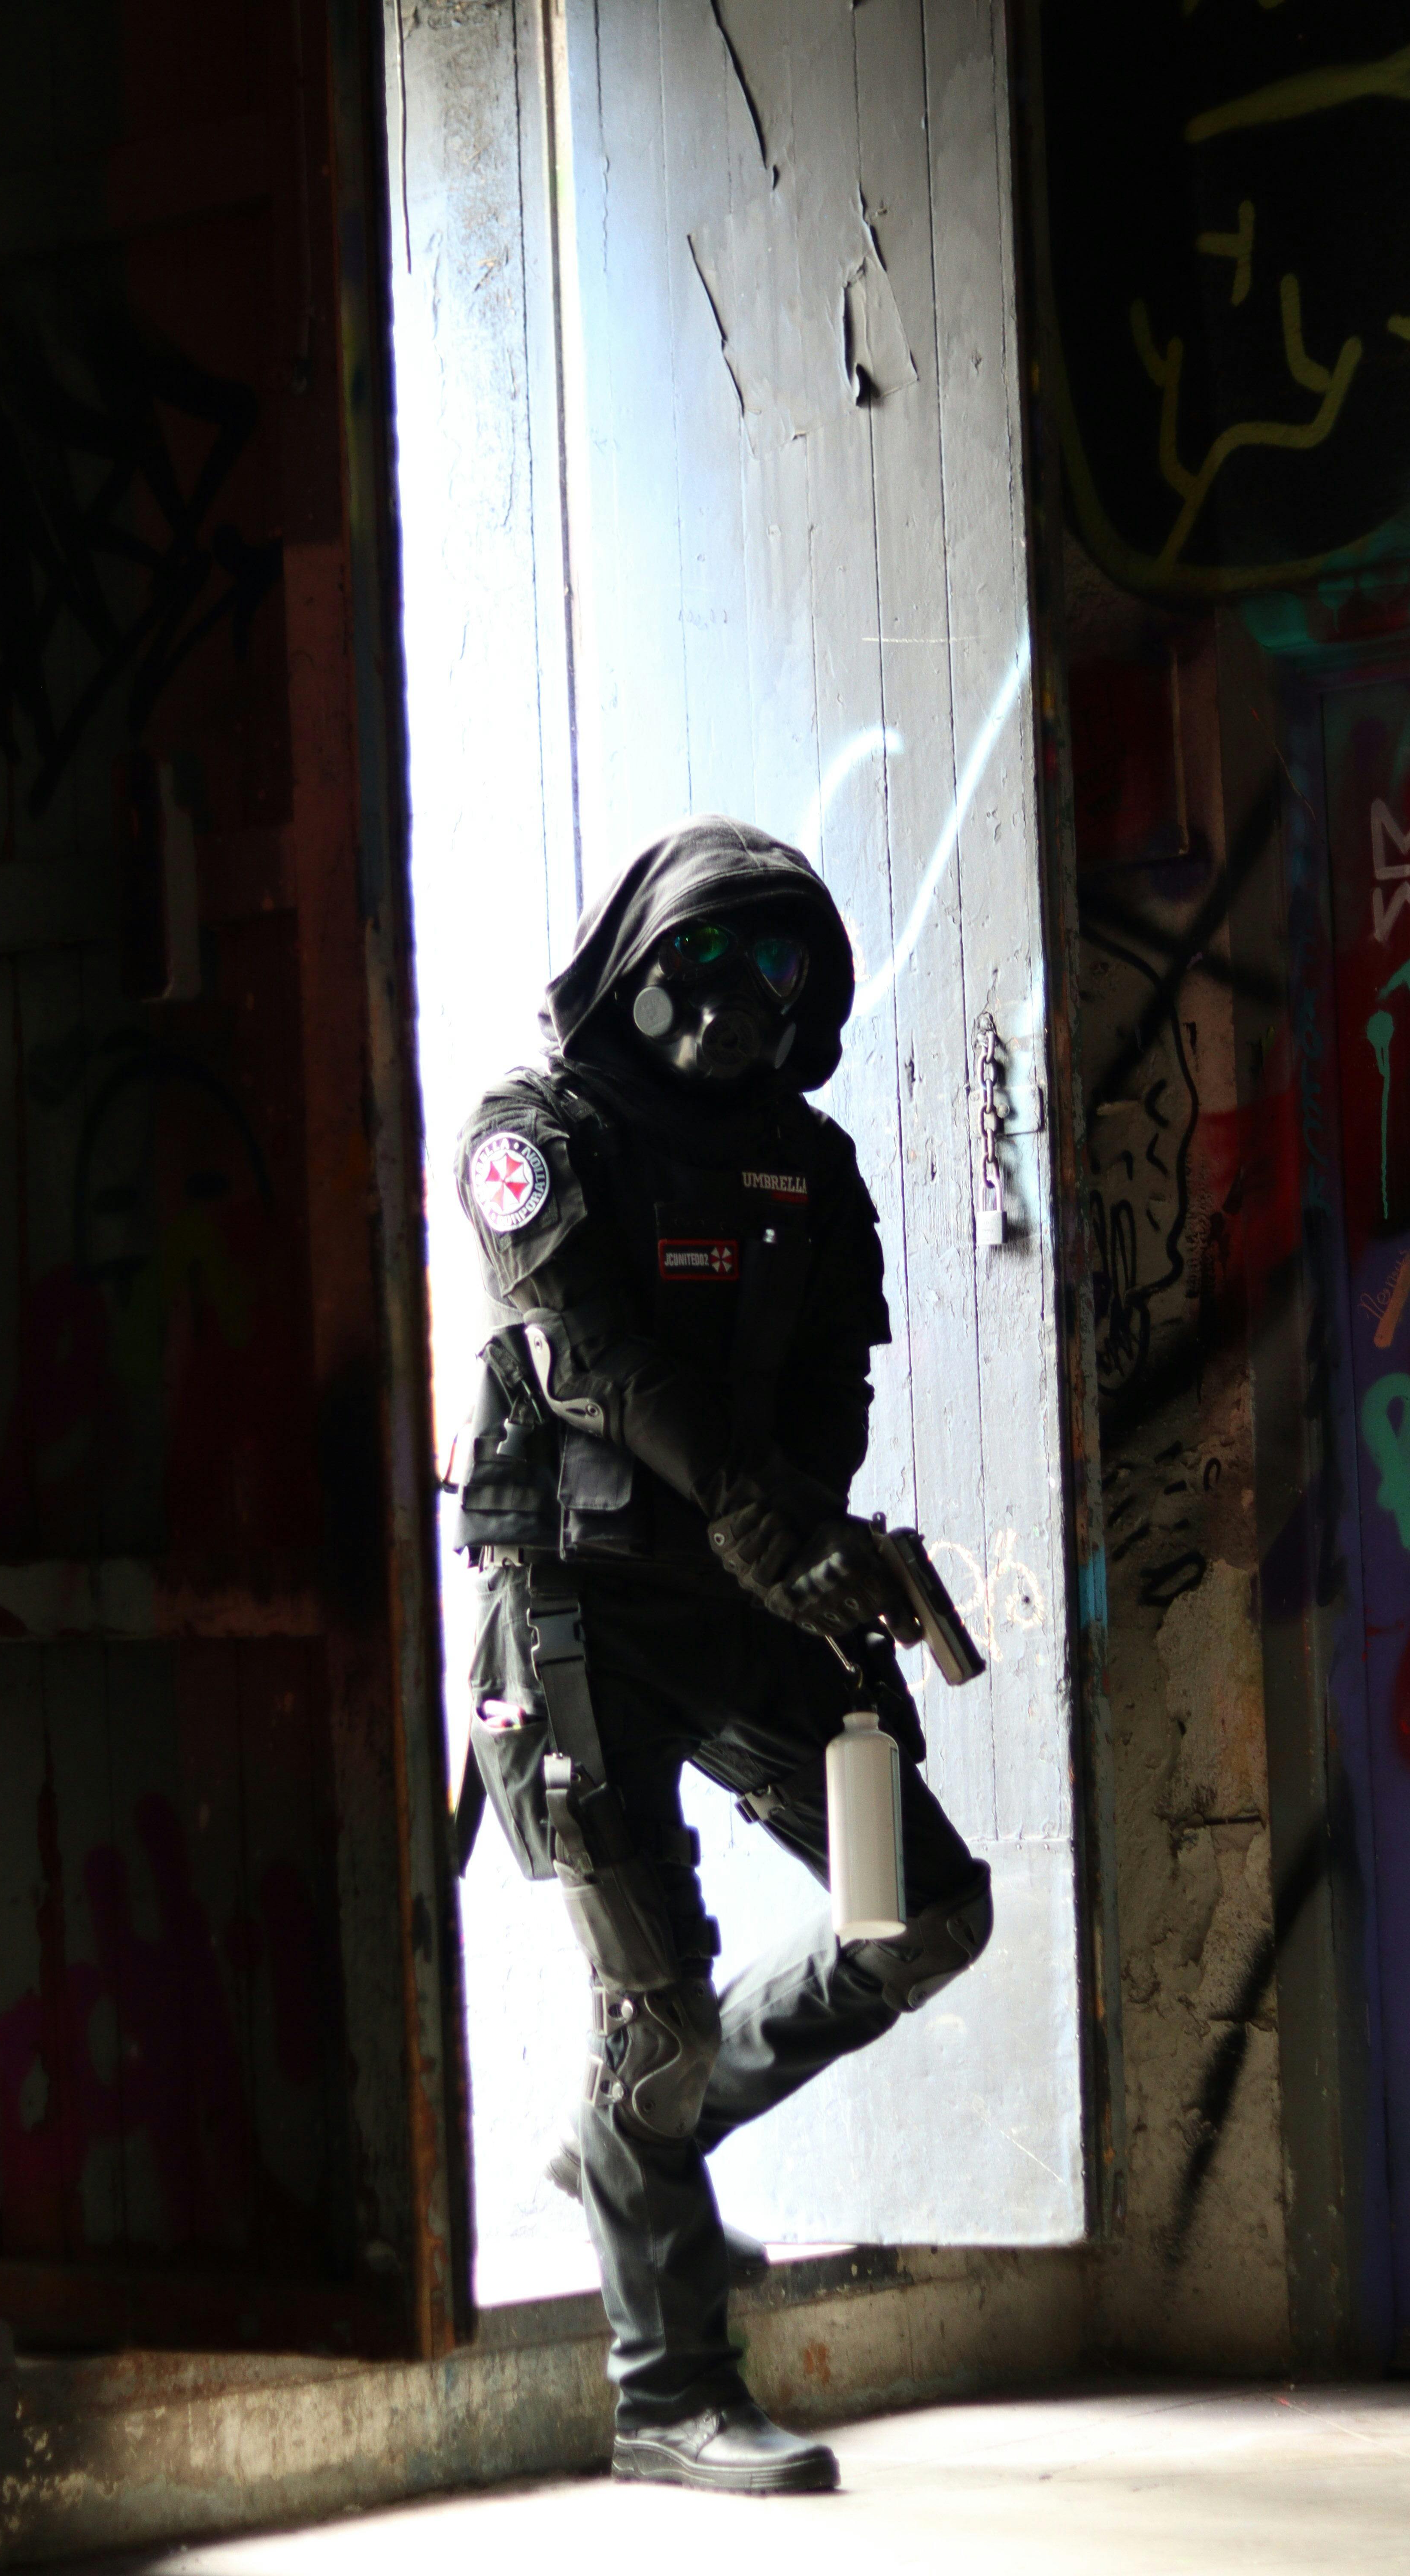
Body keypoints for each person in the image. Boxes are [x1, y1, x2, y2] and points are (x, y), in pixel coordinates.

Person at [452, 816, 992, 2494]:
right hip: (578, 1619)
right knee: (655, 2017)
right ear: (634, 961)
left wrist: (814, 1544)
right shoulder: (532, 1137)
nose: (739, 998)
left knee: (923, 1915)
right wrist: (759, 1517)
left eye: (778, 965)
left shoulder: (809, 1168)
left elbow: (831, 1383)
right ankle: (668, 2395)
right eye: (704, 957)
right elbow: (593, 1360)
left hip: (761, 1611)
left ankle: (640, 2119)